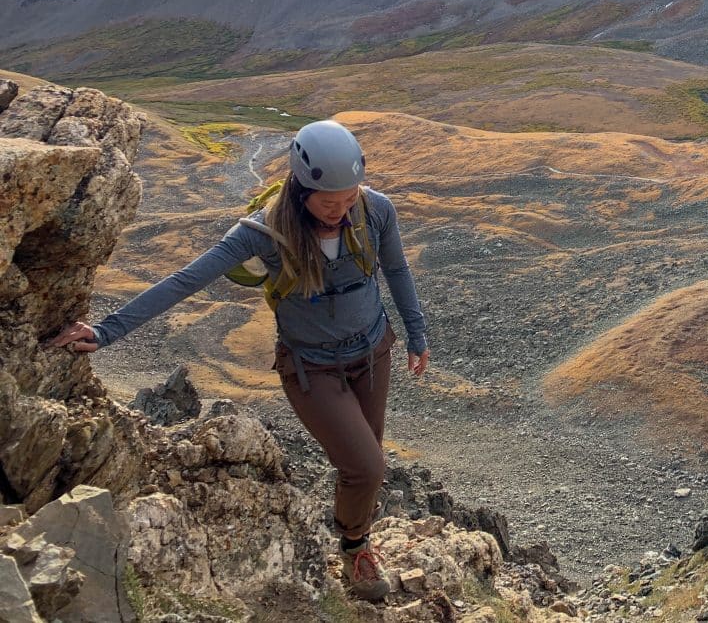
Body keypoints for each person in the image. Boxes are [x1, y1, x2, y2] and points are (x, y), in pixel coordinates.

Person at [49, 119, 429, 602]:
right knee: (368, 467)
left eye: (348, 198)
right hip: (312, 368)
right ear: (301, 187)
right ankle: (354, 546)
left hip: (373, 355)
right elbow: (186, 281)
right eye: (329, 202)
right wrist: (106, 331)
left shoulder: (376, 211)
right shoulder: (262, 233)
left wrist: (417, 334)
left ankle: (357, 533)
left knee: (363, 459)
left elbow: (395, 269)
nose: (341, 210)